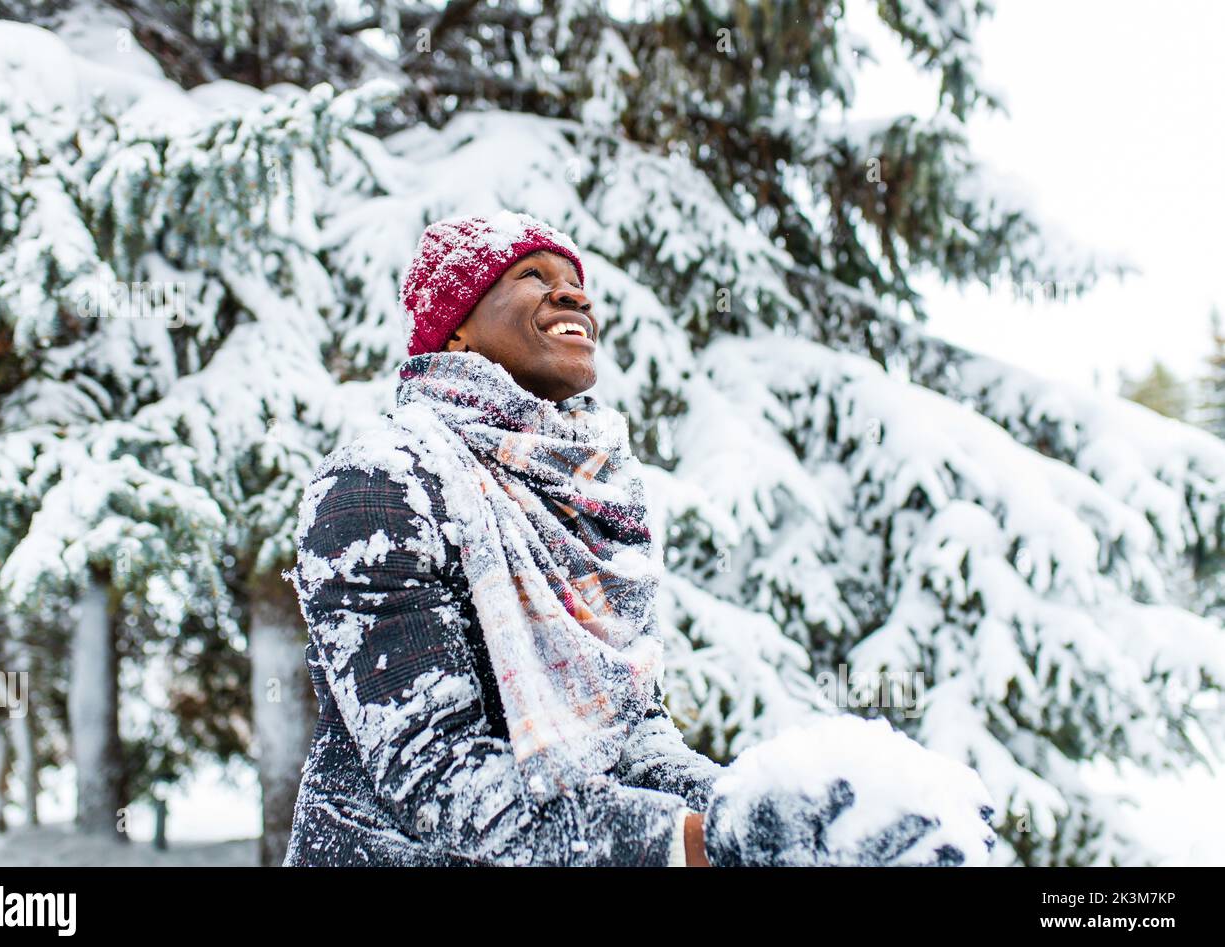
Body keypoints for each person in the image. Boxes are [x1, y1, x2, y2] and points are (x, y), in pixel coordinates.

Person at [281, 210, 994, 867]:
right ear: (455, 327)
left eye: (577, 285)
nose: (574, 298)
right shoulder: (379, 485)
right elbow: (437, 776)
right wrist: (702, 844)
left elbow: (629, 737)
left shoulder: (592, 498)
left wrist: (794, 815)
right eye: (533, 277)